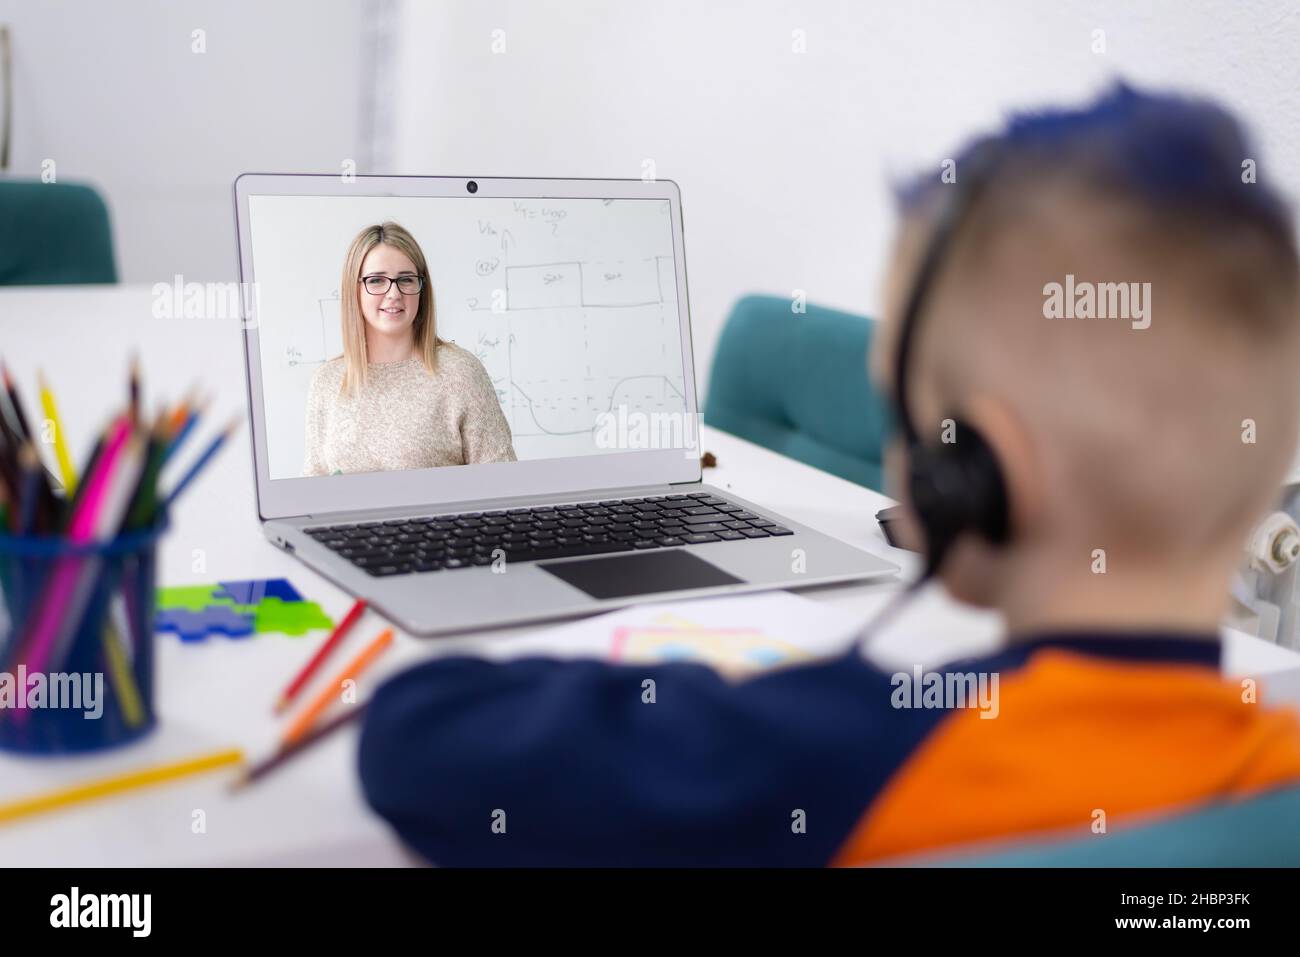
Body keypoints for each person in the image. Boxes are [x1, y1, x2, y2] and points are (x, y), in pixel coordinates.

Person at [356, 85, 1300, 865]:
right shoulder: (1277, 765)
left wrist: (698, 697)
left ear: (970, 474)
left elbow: (419, 745)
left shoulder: (848, 747)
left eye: (902, 415)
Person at [303, 221, 516, 476]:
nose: (393, 293)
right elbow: (314, 484)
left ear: (421, 289)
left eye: (406, 279)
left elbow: (503, 481)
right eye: (377, 280)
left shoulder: (460, 373)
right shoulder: (327, 381)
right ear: (354, 289)